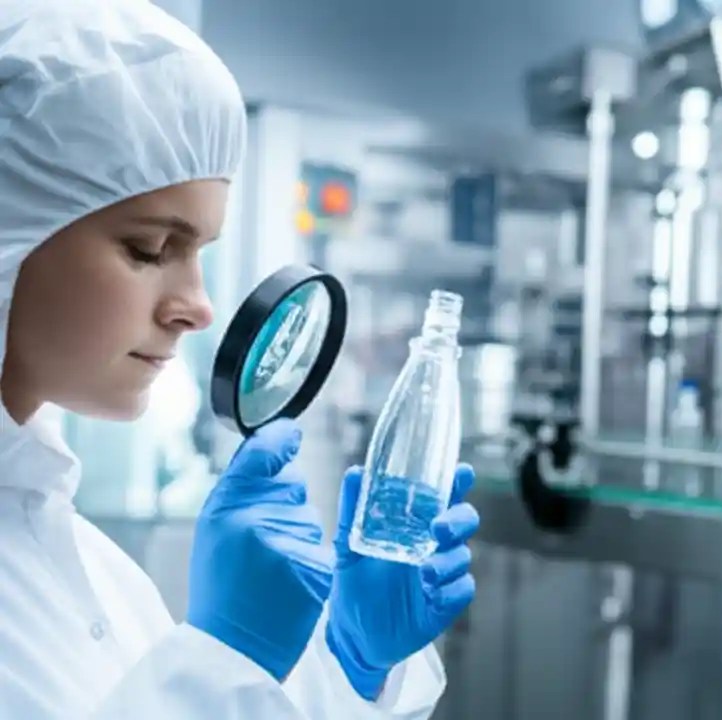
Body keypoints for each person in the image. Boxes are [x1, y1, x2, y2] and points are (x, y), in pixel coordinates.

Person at [0, 0, 479, 717]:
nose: (198, 307)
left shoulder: (74, 554)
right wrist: (225, 652)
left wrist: (347, 666)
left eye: (199, 255)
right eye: (152, 249)